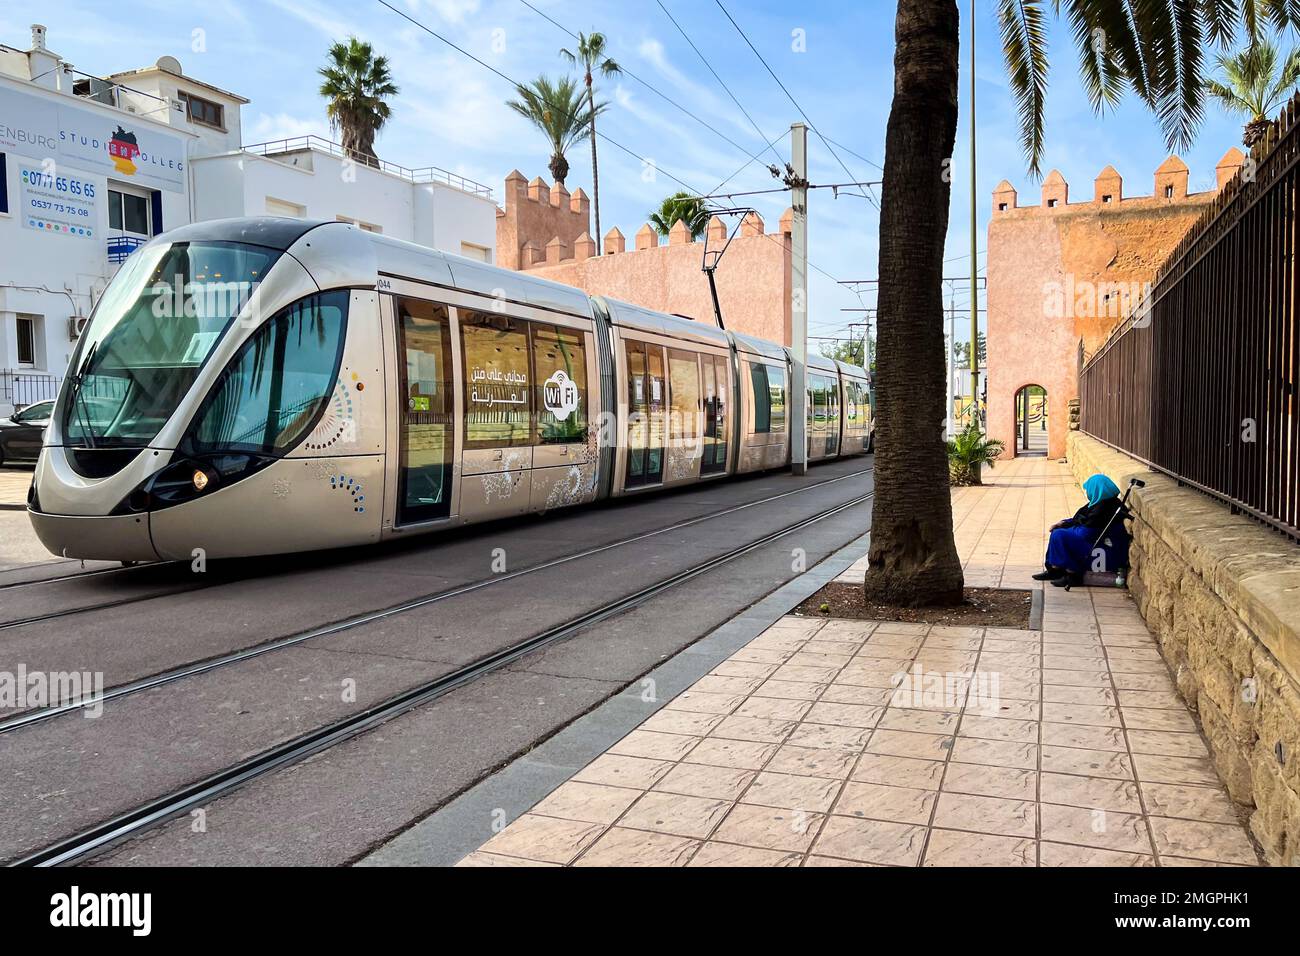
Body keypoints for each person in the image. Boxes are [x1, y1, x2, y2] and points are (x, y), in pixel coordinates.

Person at [1033, 474, 1131, 587]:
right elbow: (1081, 519)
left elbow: (1086, 534)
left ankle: (1073, 575)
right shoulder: (1101, 502)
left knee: (1059, 535)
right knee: (1058, 531)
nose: (1087, 493)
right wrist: (1064, 524)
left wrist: (1068, 529)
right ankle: (1055, 570)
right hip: (1099, 545)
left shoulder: (1104, 509)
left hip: (1107, 553)